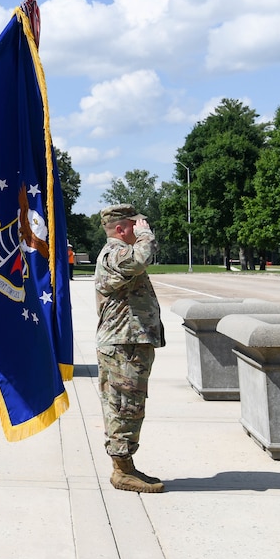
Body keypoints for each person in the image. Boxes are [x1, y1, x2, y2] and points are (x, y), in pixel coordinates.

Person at [96, 204, 166, 493]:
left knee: (130, 406)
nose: (141, 229)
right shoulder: (115, 252)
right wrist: (145, 235)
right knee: (124, 406)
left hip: (130, 343)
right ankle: (121, 470)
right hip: (124, 344)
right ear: (122, 229)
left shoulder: (120, 252)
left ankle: (126, 466)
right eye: (135, 225)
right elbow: (140, 259)